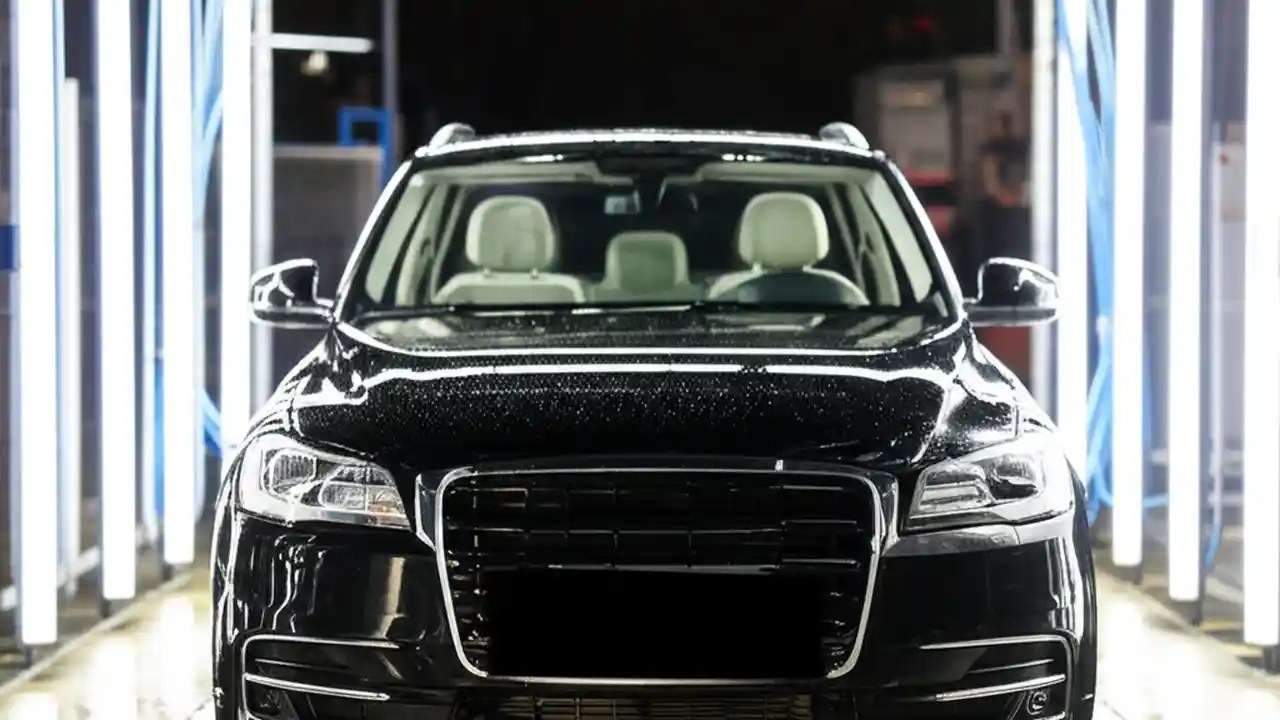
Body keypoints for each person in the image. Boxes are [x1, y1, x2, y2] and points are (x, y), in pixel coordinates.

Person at [978, 109, 1030, 259]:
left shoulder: (1020, 148)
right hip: (999, 213)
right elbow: (991, 185)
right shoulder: (992, 150)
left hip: (1016, 212)